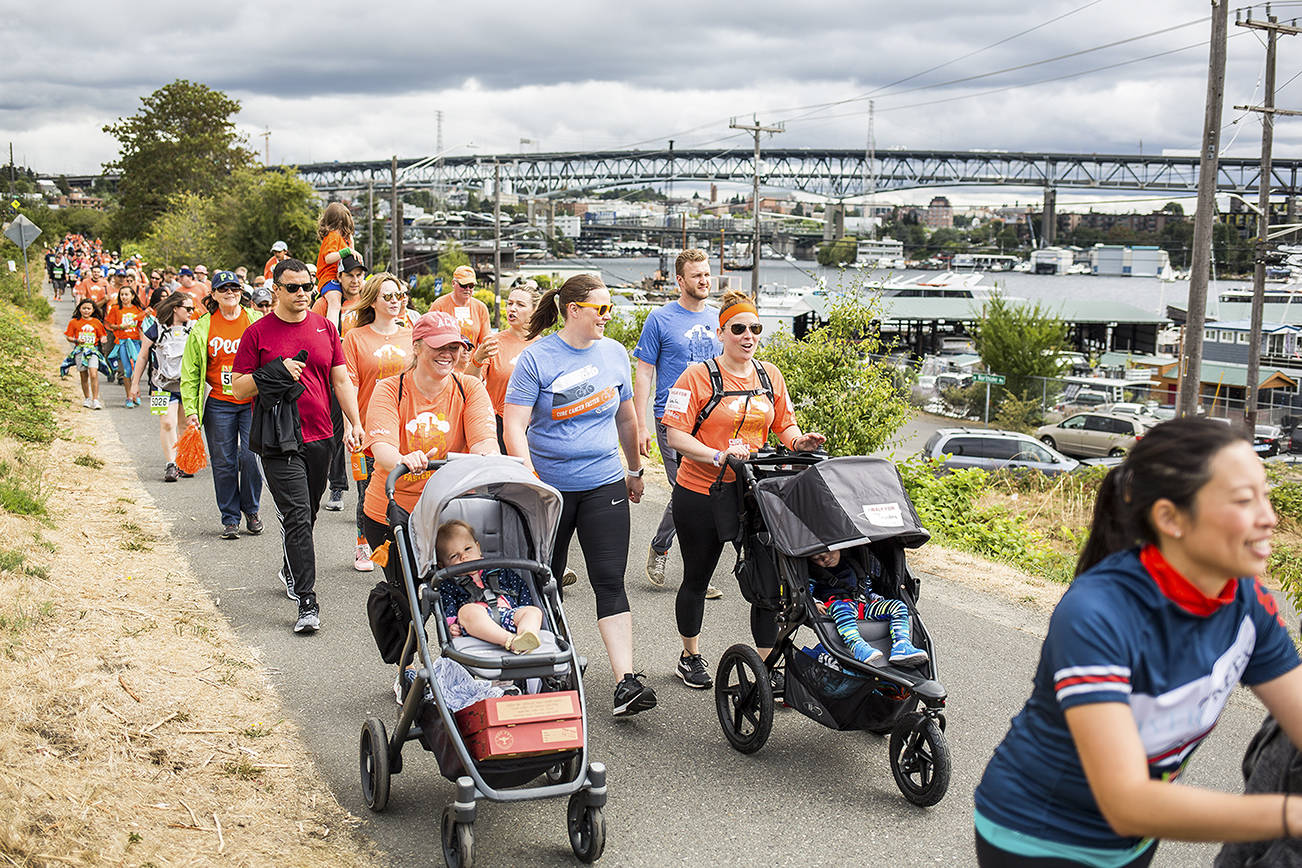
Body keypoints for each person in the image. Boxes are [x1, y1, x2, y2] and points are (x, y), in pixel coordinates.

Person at [973, 418, 1302, 868]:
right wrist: (1290, 814)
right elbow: (1126, 802)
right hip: (1037, 835)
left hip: (1134, 841)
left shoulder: (1245, 599)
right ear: (1170, 518)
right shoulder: (1098, 612)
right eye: (1245, 500)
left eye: (1265, 495)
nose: (1269, 518)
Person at [502, 273, 657, 717]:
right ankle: (548, 668)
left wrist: (633, 470)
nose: (609, 317)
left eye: (611, 309)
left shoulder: (613, 354)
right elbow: (515, 425)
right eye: (602, 309)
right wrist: (528, 475)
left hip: (604, 481)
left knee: (609, 580)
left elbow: (626, 419)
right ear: (573, 310)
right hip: (548, 489)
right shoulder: (538, 358)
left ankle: (625, 682)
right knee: (545, 580)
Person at [661, 289, 825, 690]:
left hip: (754, 494)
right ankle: (690, 655)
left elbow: (784, 424)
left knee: (766, 580)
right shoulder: (697, 376)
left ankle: (766, 668)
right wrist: (716, 456)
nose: (748, 335)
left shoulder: (770, 375)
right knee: (697, 577)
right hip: (701, 490)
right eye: (738, 328)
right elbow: (675, 435)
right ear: (721, 333)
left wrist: (798, 441)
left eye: (755, 328)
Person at [231, 259, 363, 635]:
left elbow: (341, 380)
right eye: (293, 287)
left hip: (322, 436)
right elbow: (238, 388)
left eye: (307, 286)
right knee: (298, 515)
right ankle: (308, 601)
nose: (302, 294)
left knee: (307, 515)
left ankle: (292, 564)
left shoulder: (325, 327)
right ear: (276, 289)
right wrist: (273, 372)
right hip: (278, 441)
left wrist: (355, 423)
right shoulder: (257, 333)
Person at [359, 311, 496, 639]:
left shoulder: (469, 388)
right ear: (417, 346)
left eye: (455, 346)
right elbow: (382, 447)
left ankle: (457, 657)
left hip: (450, 512)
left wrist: (486, 455)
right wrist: (403, 458)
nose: (448, 354)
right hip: (394, 511)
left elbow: (484, 439)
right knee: (410, 595)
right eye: (439, 346)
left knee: (461, 588)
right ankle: (408, 666)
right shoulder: (390, 390)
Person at [633, 248, 724, 595]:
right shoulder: (660, 319)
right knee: (687, 492)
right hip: (672, 418)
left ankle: (661, 544)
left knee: (707, 493)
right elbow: (644, 375)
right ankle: (695, 575)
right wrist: (640, 425)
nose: (704, 280)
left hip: (712, 421)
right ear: (680, 280)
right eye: (697, 275)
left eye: (707, 274)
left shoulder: (719, 319)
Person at [181, 270, 264, 540]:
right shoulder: (203, 327)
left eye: (235, 288)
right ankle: (230, 518)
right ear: (214, 295)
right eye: (224, 289)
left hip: (250, 401)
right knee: (224, 461)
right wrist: (192, 411)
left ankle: (251, 510)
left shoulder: (254, 320)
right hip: (218, 403)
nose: (230, 292)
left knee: (251, 457)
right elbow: (191, 372)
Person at [343, 272, 412, 571]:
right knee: (369, 490)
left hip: (406, 426)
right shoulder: (356, 338)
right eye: (388, 296)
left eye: (398, 296)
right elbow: (350, 384)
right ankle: (364, 544)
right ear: (373, 300)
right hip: (369, 426)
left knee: (405, 488)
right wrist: (351, 425)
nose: (395, 301)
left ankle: (405, 544)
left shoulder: (410, 334)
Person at [434, 519, 543, 654]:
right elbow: (447, 605)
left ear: (478, 548)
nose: (464, 556)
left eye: (467, 549)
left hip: (509, 616)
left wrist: (525, 608)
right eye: (454, 556)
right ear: (442, 565)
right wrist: (452, 624)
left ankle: (526, 636)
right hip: (477, 626)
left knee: (533, 611)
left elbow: (521, 588)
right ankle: (511, 641)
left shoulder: (499, 570)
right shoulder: (449, 584)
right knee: (466, 611)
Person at [807, 548, 928, 666]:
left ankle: (902, 645)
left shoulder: (854, 565)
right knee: (842, 608)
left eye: (829, 552)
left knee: (898, 605)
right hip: (835, 608)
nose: (826, 558)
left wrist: (875, 598)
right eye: (817, 558)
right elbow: (808, 592)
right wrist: (816, 603)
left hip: (862, 606)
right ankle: (858, 646)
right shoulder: (814, 573)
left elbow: (866, 588)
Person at [127, 291, 196, 481]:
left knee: (185, 425)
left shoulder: (195, 328)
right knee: (167, 423)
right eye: (188, 308)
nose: (191, 312)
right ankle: (171, 464)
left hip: (187, 385)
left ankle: (183, 461)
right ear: (175, 308)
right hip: (161, 385)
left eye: (193, 308)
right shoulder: (156, 329)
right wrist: (135, 384)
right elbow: (142, 356)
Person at [472, 282, 537, 451]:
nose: (512, 309)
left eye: (520, 305)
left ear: (535, 311)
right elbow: (470, 383)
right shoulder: (493, 342)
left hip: (535, 427)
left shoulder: (544, 347)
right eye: (510, 303)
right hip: (498, 425)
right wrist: (477, 358)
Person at [428, 264, 489, 374]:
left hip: (471, 369)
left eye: (471, 286)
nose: (468, 289)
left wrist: (482, 370)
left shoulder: (480, 308)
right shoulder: (440, 305)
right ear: (453, 283)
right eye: (463, 285)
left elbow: (486, 343)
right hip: (445, 368)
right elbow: (429, 338)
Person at [314, 202, 356, 328]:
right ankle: (332, 332)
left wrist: (351, 244)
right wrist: (347, 250)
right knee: (335, 302)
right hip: (329, 278)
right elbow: (328, 258)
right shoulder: (333, 236)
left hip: (341, 277)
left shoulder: (342, 239)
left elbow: (351, 259)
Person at [105, 280, 145, 407]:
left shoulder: (137, 309)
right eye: (122, 294)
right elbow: (110, 325)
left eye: (126, 294)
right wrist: (119, 326)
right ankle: (129, 396)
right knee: (127, 370)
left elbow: (142, 327)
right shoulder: (115, 309)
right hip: (122, 342)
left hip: (135, 342)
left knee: (136, 371)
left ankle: (136, 394)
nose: (124, 297)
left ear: (132, 296)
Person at [64, 299, 108, 409]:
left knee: (93, 374)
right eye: (84, 308)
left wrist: (103, 339)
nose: (86, 310)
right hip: (80, 350)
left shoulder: (97, 322)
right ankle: (87, 398)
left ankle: (95, 399)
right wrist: (76, 340)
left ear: (93, 310)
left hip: (93, 350)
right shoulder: (74, 322)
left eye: (89, 308)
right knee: (84, 375)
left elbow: (102, 335)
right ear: (79, 309)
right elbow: (68, 337)